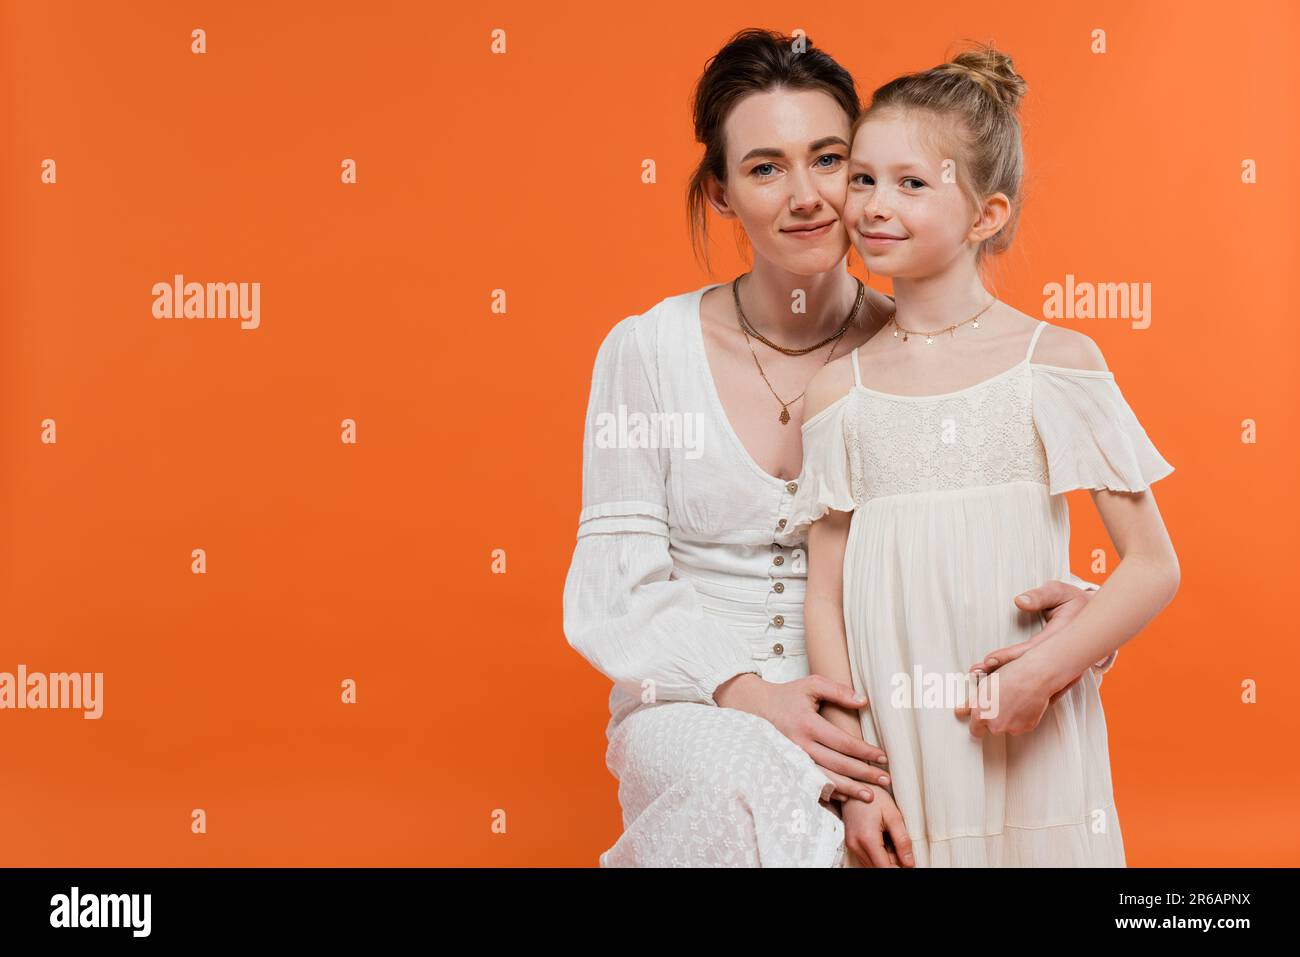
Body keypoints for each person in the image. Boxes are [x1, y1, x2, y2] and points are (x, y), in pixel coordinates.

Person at [562, 28, 1112, 867]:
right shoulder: (645, 351)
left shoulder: (918, 357)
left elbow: (973, 532)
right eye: (764, 168)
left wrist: (1087, 621)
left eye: (830, 160)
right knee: (745, 792)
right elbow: (618, 583)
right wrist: (752, 693)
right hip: (697, 701)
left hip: (889, 696)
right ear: (719, 192)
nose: (808, 196)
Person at [791, 44, 1179, 867]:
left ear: (986, 216)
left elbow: (1151, 565)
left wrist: (1043, 673)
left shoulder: (1056, 363)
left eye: (911, 183)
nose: (872, 205)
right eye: (860, 178)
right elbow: (823, 599)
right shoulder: (841, 392)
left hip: (1027, 739)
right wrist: (860, 784)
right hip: (902, 742)